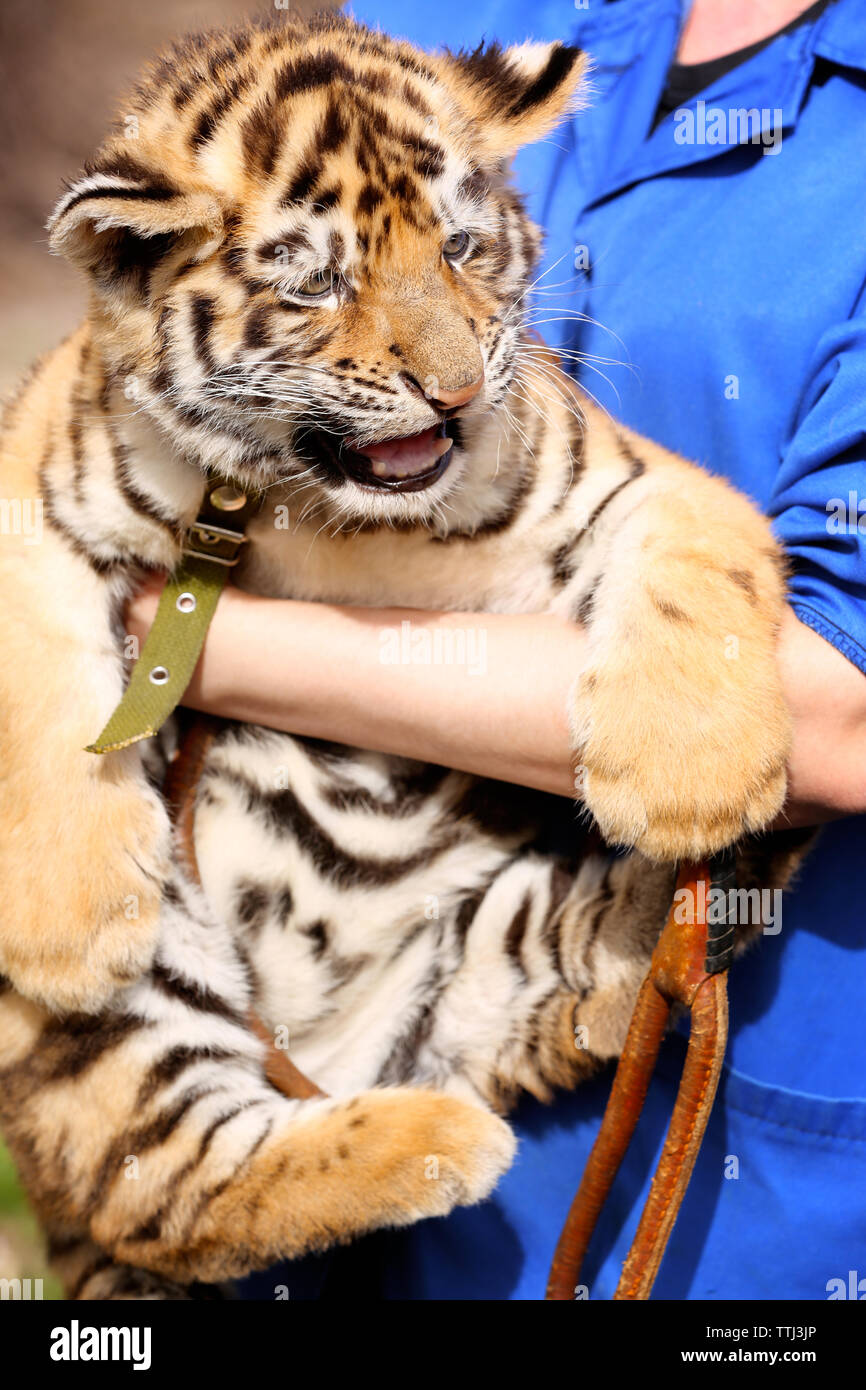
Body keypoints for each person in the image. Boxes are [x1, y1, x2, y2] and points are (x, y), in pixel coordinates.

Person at [129, 0, 866, 1299]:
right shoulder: (431, 24)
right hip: (293, 1106)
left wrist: (186, 643)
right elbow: (170, 379)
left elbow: (822, 714)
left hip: (721, 1188)